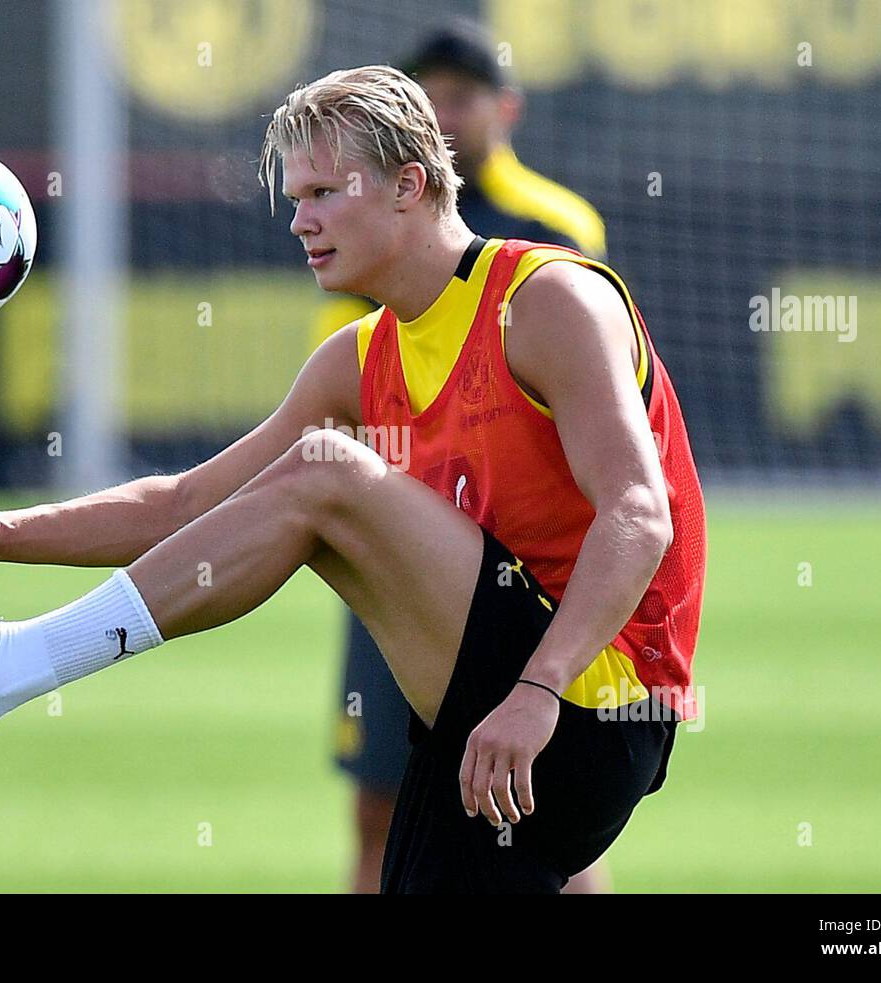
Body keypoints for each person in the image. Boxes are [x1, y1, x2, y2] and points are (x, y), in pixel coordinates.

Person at [0, 64, 706, 894]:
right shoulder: (358, 358)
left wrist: (537, 687)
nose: (299, 222)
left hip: (590, 703)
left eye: (319, 194)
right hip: (480, 715)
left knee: (325, 474)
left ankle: (1, 668)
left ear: (407, 185)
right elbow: (189, 501)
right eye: (293, 199)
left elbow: (639, 514)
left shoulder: (547, 299)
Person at [318, 20, 612, 893]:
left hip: (527, 555)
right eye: (426, 98)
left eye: (461, 96)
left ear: (505, 108)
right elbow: (350, 393)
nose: (444, 115)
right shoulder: (368, 223)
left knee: (557, 812)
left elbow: (584, 407)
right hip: (405, 543)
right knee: (383, 801)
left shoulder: (554, 227)